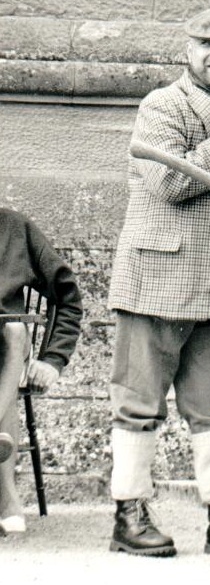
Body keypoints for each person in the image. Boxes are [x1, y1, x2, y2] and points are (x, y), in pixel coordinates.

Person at [106, 9, 210, 558]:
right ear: (187, 51)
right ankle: (128, 514)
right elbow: (170, 181)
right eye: (204, 44)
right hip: (157, 281)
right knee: (138, 404)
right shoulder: (162, 105)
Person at [0, 208, 82, 535]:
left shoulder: (16, 228)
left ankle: (6, 501)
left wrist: (52, 359)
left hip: (4, 353)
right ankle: (6, 500)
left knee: (15, 331)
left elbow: (68, 298)